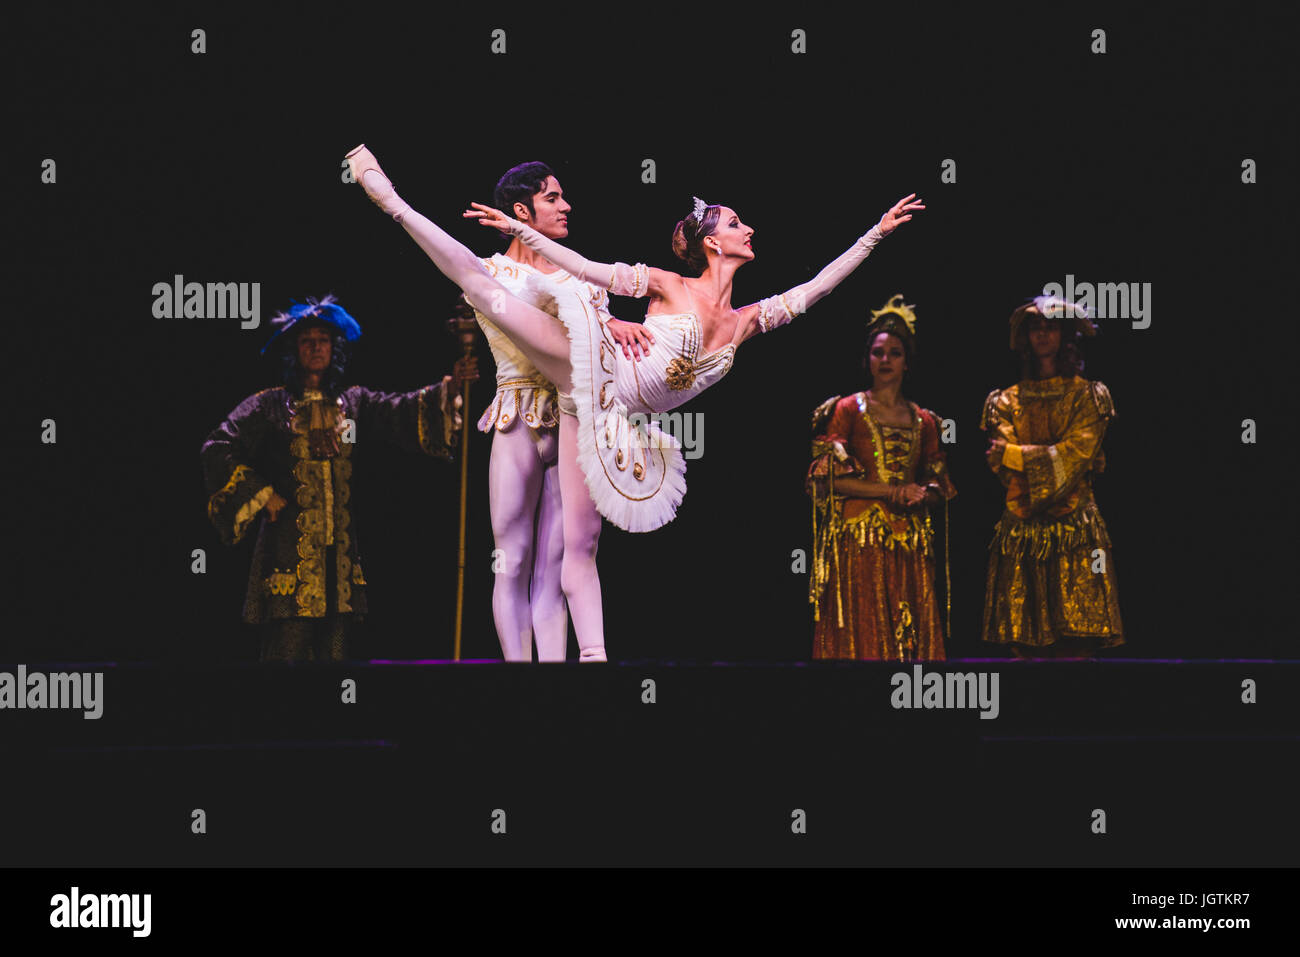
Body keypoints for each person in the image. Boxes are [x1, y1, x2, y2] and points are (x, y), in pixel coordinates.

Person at [343, 144, 922, 536]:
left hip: (608, 415)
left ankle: (577, 666)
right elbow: (588, 267)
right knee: (479, 280)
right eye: (736, 223)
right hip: (588, 368)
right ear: (713, 244)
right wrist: (522, 233)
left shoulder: (748, 320)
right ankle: (387, 197)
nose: (749, 228)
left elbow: (815, 288)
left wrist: (876, 234)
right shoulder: (668, 283)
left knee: (572, 550)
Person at [202, 295, 476, 662]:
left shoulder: (352, 404)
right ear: (293, 350)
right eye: (307, 340)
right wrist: (261, 494)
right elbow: (217, 446)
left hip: (339, 569)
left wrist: (452, 387)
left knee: (336, 659)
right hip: (288, 564)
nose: (316, 347)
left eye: (324, 340)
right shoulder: (269, 406)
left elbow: (402, 411)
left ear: (334, 348)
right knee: (287, 655)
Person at [470, 162, 650, 662]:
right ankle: (516, 673)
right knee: (512, 558)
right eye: (552, 198)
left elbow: (596, 332)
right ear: (522, 211)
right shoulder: (493, 272)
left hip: (572, 419)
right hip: (518, 415)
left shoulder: (580, 274)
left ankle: (555, 676)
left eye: (562, 197)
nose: (566, 206)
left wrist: (614, 323)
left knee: (557, 563)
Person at [806, 295, 956, 660]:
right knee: (865, 629)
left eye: (894, 353)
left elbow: (941, 484)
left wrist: (925, 494)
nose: (885, 359)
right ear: (867, 359)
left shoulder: (926, 420)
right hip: (861, 538)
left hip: (909, 542)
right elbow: (824, 482)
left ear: (907, 363)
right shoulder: (847, 410)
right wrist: (892, 491)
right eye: (878, 352)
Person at [980, 295, 1123, 656]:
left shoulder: (1088, 396)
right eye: (1035, 328)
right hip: (1021, 525)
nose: (1042, 335)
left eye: (1050, 327)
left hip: (1074, 526)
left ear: (1065, 335)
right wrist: (1016, 458)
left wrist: (1015, 454)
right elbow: (997, 464)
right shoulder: (1005, 400)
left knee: (1078, 642)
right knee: (1023, 644)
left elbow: (1076, 454)